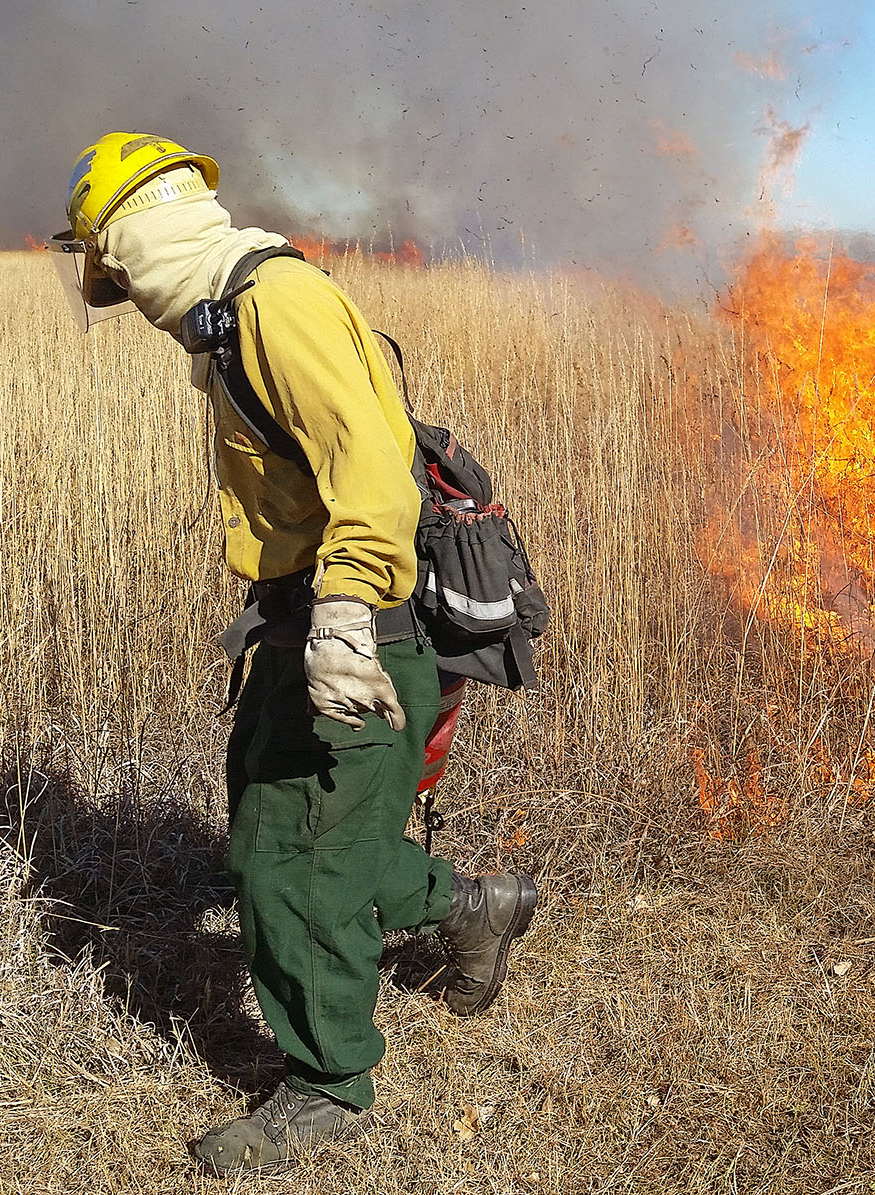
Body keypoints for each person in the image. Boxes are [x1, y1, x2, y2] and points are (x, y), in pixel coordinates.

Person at [52, 132, 536, 1173]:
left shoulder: (277, 306)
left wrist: (346, 616)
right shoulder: (232, 318)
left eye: (113, 265)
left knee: (297, 868)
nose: (121, 292)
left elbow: (371, 470)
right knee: (292, 835)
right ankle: (472, 907)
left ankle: (329, 1086)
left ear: (138, 238)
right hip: (298, 621)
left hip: (352, 625)